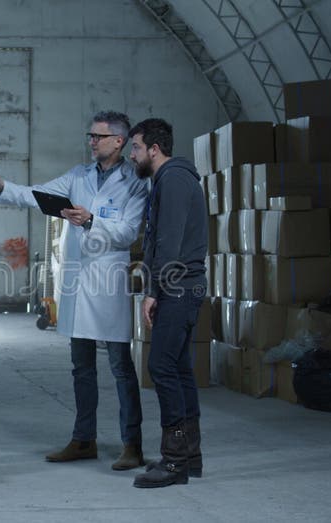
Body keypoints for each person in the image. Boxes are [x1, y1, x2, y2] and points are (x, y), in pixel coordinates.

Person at [0, 111, 149, 470]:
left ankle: (132, 444)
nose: (92, 141)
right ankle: (83, 439)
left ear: (119, 141)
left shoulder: (135, 183)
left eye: (98, 136)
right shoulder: (77, 176)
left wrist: (93, 221)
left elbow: (130, 231)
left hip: (108, 279)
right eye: (90, 136)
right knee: (81, 367)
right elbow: (36, 195)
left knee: (120, 366)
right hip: (76, 279)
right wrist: (0, 184)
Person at [127, 118, 208, 488]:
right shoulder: (169, 179)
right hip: (183, 286)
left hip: (178, 287)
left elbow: (169, 242)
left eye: (136, 148)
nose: (133, 155)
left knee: (160, 366)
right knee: (178, 368)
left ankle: (175, 461)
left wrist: (153, 291)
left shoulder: (173, 180)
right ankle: (189, 456)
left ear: (154, 149)